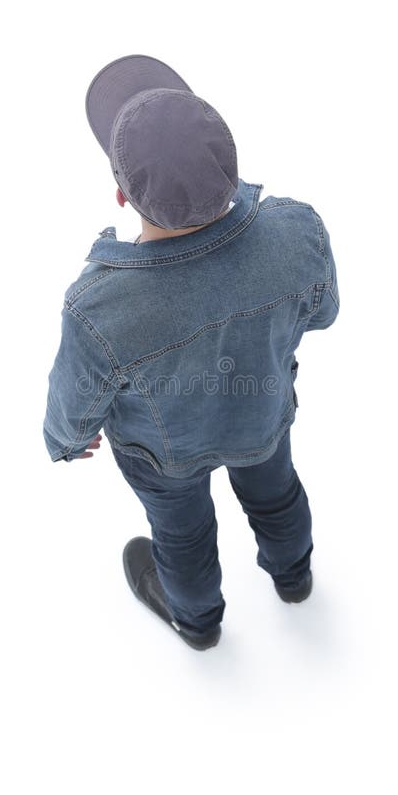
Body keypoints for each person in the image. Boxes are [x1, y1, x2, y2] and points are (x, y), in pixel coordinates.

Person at [43, 54, 340, 651]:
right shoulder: (297, 230)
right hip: (262, 418)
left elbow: (73, 407)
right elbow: (323, 312)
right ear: (228, 165)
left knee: (181, 535)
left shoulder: (98, 308)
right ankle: (294, 577)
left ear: (122, 196)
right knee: (277, 494)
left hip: (162, 454)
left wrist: (67, 443)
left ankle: (199, 625)